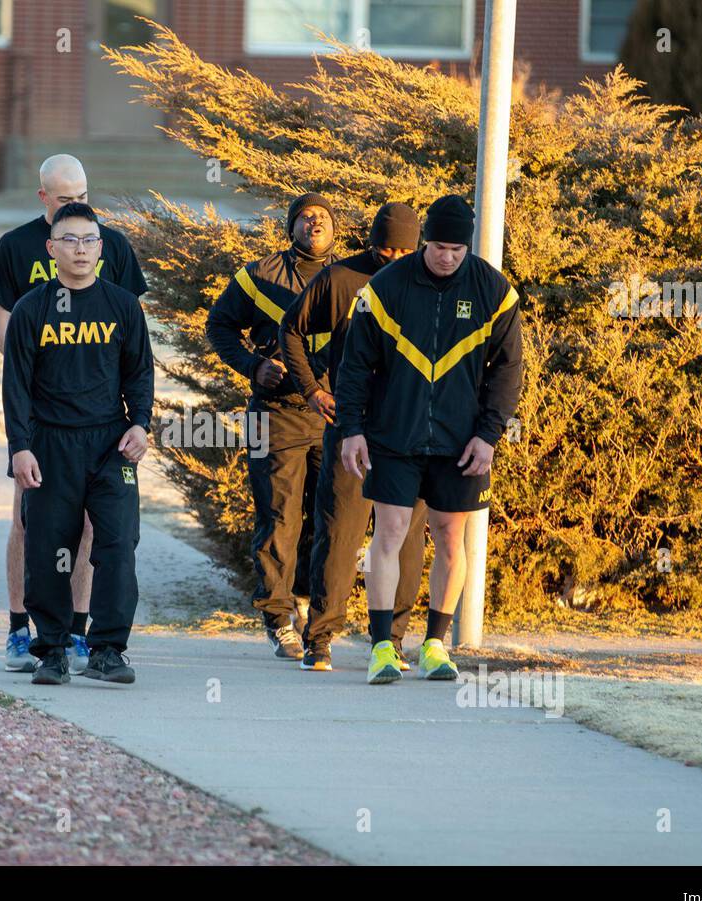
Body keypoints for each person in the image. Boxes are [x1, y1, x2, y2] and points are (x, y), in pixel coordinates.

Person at [334, 195, 523, 685]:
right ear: (424, 242)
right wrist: (352, 428)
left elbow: (508, 371)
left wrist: (489, 436)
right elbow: (354, 366)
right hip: (393, 433)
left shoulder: (494, 291)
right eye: (440, 247)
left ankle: (436, 645)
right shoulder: (386, 288)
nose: (448, 257)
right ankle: (381, 647)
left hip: (461, 440)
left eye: (458, 250)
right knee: (390, 534)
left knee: (450, 536)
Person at [0, 154, 148, 675]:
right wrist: (21, 444)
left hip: (108, 441)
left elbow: (140, 368)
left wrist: (140, 422)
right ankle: (45, 646)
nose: (81, 247)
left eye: (89, 239)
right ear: (51, 245)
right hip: (48, 439)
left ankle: (104, 647)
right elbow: (15, 381)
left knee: (116, 540)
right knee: (44, 539)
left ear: (102, 246)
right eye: (70, 238)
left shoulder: (120, 301)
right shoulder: (31, 303)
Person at [278, 202, 425, 672]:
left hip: (409, 430)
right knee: (339, 533)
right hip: (351, 427)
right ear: (370, 243)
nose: (395, 258)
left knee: (405, 536)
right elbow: (291, 330)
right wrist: (313, 390)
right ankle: (319, 640)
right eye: (386, 248)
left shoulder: (430, 285)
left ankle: (393, 641)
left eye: (405, 249)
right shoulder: (341, 280)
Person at [206, 192, 338, 660]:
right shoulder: (259, 274)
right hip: (273, 414)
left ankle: (306, 601)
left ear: (334, 228)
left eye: (322, 216)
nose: (313, 222)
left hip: (332, 418)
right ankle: (278, 618)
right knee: (279, 517)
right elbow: (219, 325)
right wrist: (251, 366)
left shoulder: (350, 279)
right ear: (291, 228)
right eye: (304, 216)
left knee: (328, 517)